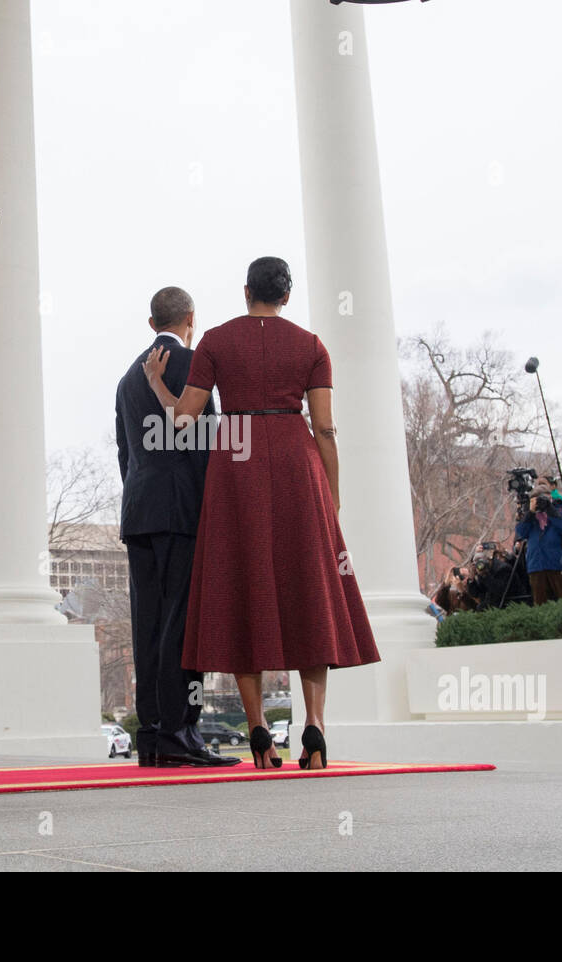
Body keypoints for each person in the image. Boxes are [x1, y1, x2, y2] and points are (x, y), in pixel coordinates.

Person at [141, 257, 379, 771]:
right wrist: (332, 496)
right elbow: (326, 429)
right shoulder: (312, 346)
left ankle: (257, 732)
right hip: (299, 465)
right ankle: (313, 725)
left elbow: (182, 421)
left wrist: (160, 385)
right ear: (287, 296)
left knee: (242, 588)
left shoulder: (218, 342)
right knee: (310, 588)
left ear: (247, 291)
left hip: (238, 460)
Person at [114, 287, 235, 769]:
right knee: (181, 623)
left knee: (147, 623)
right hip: (184, 512)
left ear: (151, 323)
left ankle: (151, 736)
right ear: (191, 318)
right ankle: (180, 731)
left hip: (139, 511)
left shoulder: (127, 378)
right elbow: (205, 442)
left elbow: (125, 453)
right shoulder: (194, 365)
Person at [514, 490, 562, 604]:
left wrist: (551, 511)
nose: (541, 503)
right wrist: (530, 512)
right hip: (536, 565)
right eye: (537, 500)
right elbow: (521, 532)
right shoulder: (529, 516)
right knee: (540, 602)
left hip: (557, 563)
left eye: (544, 499)